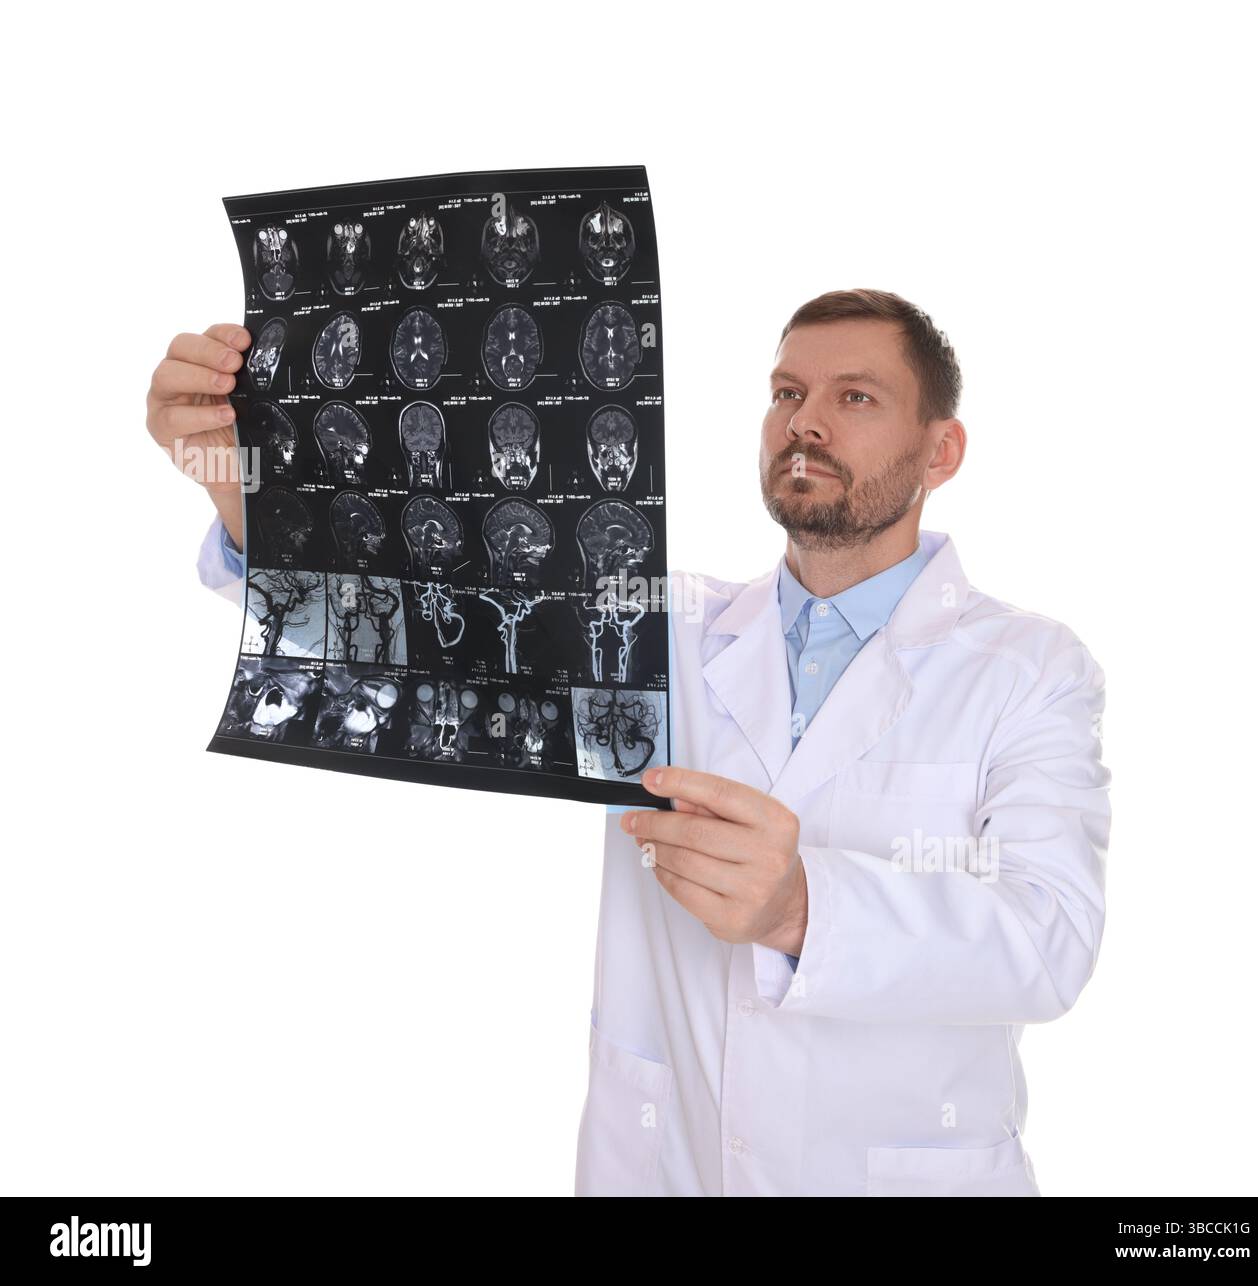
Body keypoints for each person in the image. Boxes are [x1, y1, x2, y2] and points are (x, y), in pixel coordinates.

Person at [146, 288, 1110, 1197]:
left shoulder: (1031, 668)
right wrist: (247, 491)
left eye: (853, 396)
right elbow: (423, 648)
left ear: (942, 451)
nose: (803, 421)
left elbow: (1049, 939)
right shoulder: (658, 626)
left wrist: (801, 907)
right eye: (787, 393)